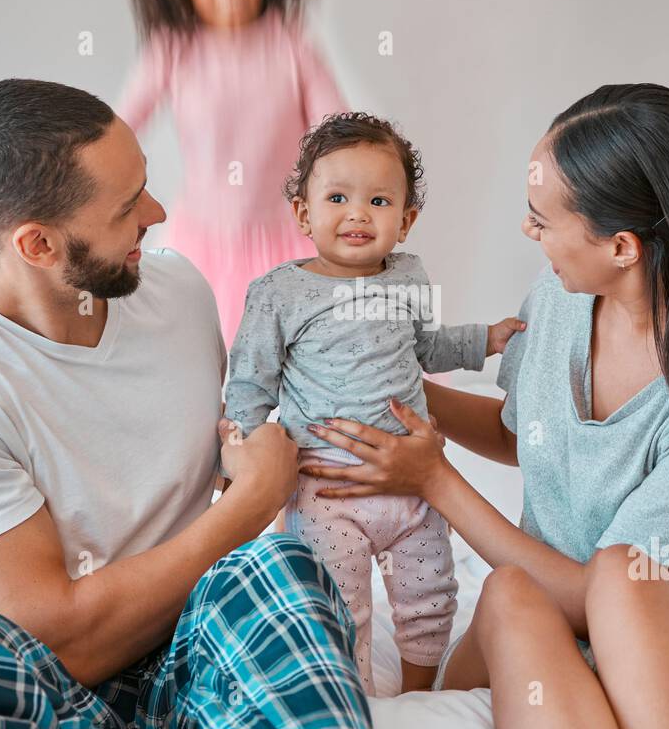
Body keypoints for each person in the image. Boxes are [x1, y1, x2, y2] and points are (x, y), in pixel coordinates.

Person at [0, 78, 372, 729]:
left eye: (146, 186)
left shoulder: (178, 292)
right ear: (37, 245)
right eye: (128, 207)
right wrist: (248, 505)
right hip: (42, 681)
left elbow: (228, 448)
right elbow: (63, 641)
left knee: (278, 570)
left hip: (195, 642)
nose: (156, 212)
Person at [298, 83, 669, 729]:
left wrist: (435, 481)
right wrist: (395, 391)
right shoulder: (562, 300)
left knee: (622, 575)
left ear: (622, 246)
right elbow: (517, 434)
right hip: (551, 599)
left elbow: (601, 595)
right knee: (505, 592)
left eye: (542, 219)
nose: (530, 233)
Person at [224, 111, 524, 696]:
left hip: (414, 479)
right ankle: (354, 698)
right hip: (327, 486)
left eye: (381, 202)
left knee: (430, 594)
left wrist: (482, 339)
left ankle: (420, 693)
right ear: (303, 214)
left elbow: (425, 349)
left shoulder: (410, 277)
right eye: (338, 197)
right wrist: (238, 459)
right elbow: (251, 383)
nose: (359, 214)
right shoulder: (280, 293)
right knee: (342, 603)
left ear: (406, 220)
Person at [118, 0, 347, 346]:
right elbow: (119, 130)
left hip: (291, 240)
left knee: (313, 355)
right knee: (203, 358)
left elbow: (339, 130)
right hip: (200, 246)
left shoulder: (289, 43)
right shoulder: (174, 48)